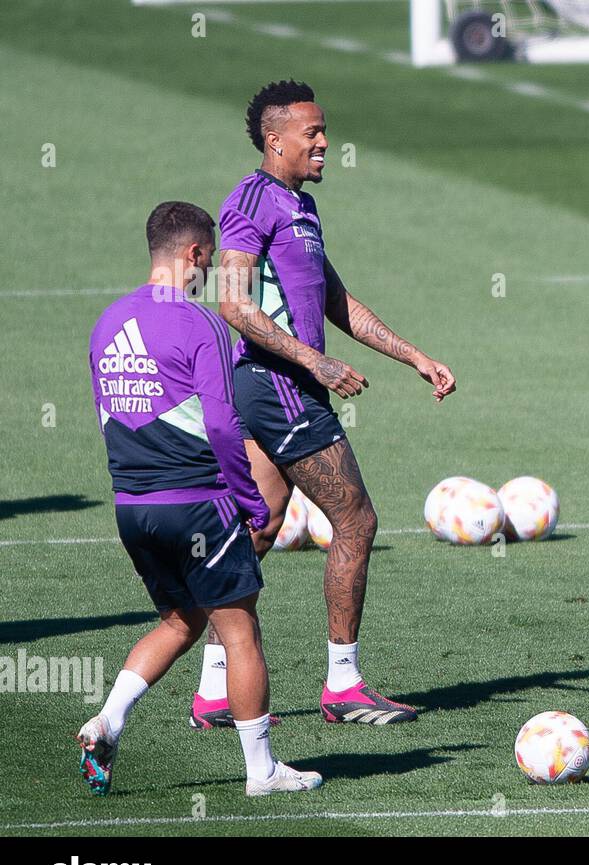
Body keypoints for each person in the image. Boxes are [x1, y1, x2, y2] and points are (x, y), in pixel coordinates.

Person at [193, 79, 457, 728]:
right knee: (357, 520)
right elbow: (232, 303)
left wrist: (413, 355)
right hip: (278, 386)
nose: (324, 142)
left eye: (323, 131)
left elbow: (337, 303)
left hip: (284, 386)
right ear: (274, 139)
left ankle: (212, 692)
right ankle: (343, 685)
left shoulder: (301, 208)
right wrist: (314, 362)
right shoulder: (250, 202)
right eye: (312, 134)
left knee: (258, 528)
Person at [79, 201, 322, 796]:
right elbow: (221, 423)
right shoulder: (201, 325)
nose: (210, 269)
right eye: (209, 259)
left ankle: (107, 719)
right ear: (193, 254)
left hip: (133, 506)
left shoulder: (107, 322)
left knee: (180, 619)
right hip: (198, 504)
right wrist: (248, 499)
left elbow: (106, 412)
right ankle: (261, 771)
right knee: (240, 632)